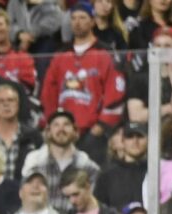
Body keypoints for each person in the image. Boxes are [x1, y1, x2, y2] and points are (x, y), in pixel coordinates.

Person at [40, 3, 125, 146]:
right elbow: (49, 92)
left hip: (93, 133)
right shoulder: (61, 54)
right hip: (62, 133)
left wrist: (101, 126)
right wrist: (51, 122)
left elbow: (115, 92)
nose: (77, 23)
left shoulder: (105, 53)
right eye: (73, 18)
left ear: (93, 21)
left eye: (82, 18)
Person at [21, 110, 101, 214]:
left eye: (66, 124)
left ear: (75, 131)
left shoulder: (87, 166)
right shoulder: (34, 161)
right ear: (48, 132)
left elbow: (92, 204)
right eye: (56, 125)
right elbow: (25, 197)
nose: (61, 129)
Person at [0, 82, 43, 184]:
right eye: (1, 101)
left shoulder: (34, 137)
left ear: (18, 105)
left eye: (11, 100)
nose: (6, 104)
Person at [93, 123, 147, 210]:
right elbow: (99, 209)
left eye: (140, 136)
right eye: (130, 137)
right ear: (123, 142)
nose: (135, 141)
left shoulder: (156, 171)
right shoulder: (107, 175)